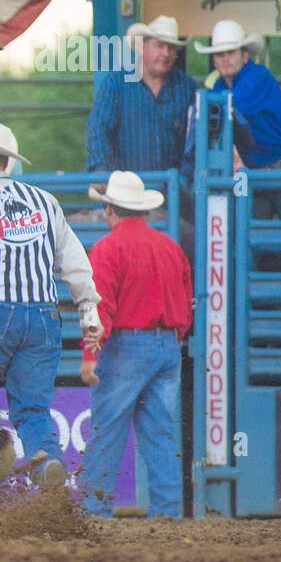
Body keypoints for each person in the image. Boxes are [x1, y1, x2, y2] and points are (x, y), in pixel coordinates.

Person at [0, 123, 103, 525]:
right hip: (44, 317)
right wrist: (89, 311)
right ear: (10, 163)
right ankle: (47, 462)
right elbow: (74, 263)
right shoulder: (46, 201)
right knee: (33, 409)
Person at [79, 171, 192, 519]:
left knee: (107, 431)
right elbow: (186, 300)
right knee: (159, 432)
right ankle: (168, 513)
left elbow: (101, 308)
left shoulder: (107, 249)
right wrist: (174, 337)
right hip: (167, 345)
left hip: (126, 346)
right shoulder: (170, 247)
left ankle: (95, 512)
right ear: (142, 211)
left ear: (110, 209)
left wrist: (89, 356)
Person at [194, 20, 281, 220]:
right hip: (255, 173)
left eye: (231, 53)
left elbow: (230, 106)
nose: (225, 59)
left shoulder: (258, 77)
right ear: (214, 59)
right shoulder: (220, 87)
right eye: (220, 54)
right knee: (250, 231)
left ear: (245, 55)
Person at [86, 15, 195, 173]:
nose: (166, 53)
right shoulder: (116, 83)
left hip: (173, 189)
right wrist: (101, 168)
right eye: (159, 46)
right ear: (143, 46)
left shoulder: (186, 87)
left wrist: (186, 178)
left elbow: (195, 139)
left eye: (171, 48)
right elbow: (98, 128)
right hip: (126, 188)